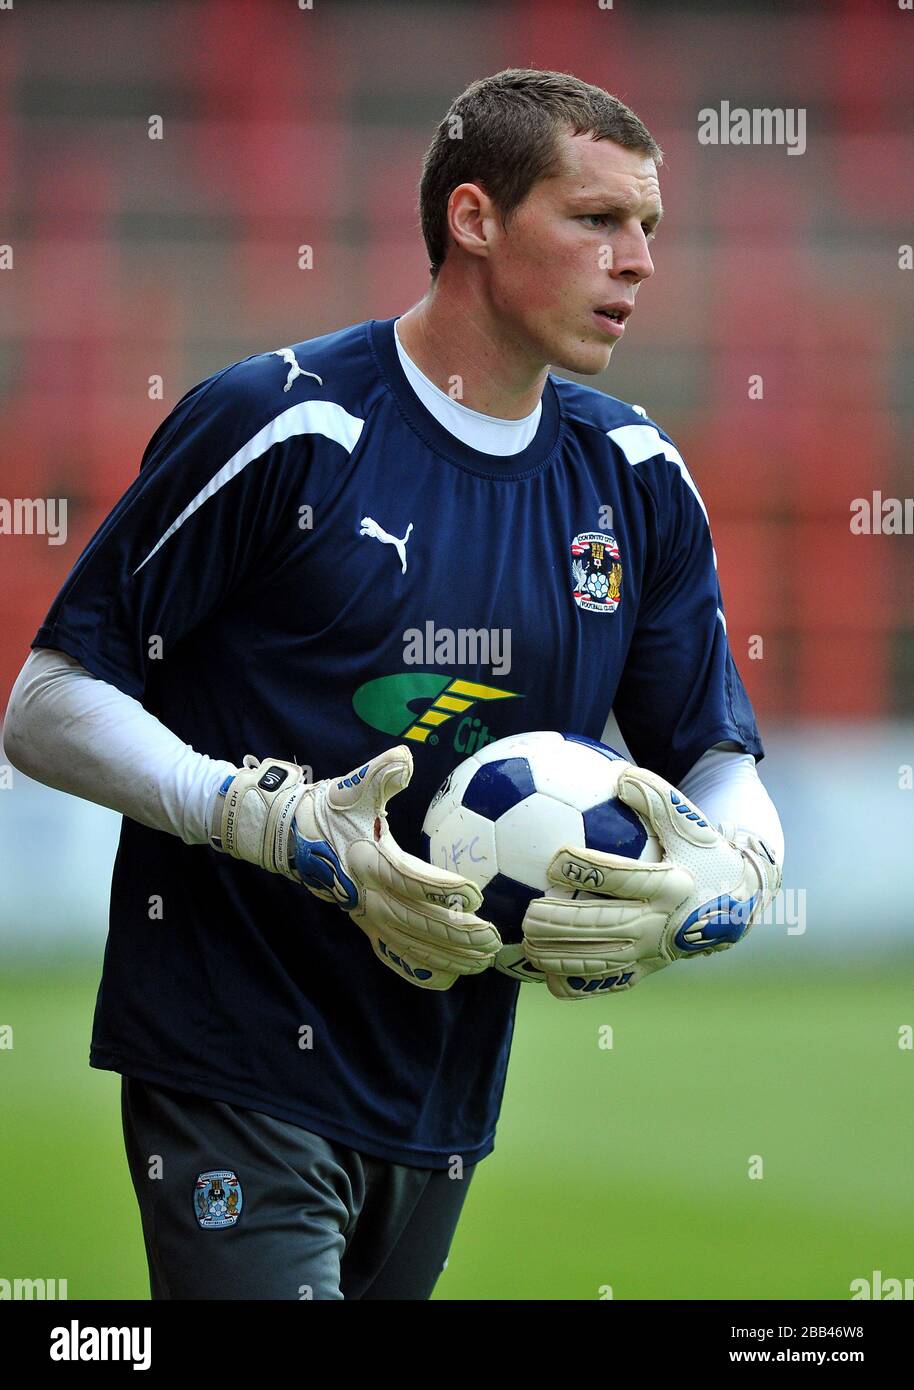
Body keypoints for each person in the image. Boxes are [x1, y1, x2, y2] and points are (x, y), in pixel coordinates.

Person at [2, 67, 783, 1300]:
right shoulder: (287, 422)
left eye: (648, 228)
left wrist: (721, 880)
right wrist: (263, 817)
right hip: (233, 1058)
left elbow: (716, 761)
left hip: (440, 1084)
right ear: (472, 219)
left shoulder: (632, 474)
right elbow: (45, 703)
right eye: (593, 220)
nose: (636, 261)